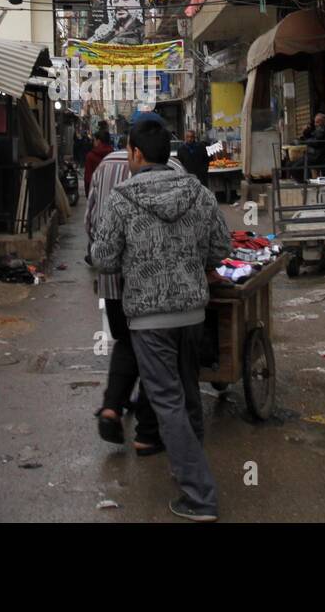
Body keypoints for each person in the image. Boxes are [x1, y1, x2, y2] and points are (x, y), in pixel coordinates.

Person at [91, 117, 231, 522]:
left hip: (149, 319)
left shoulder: (121, 197)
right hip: (191, 313)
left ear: (135, 152)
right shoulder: (197, 190)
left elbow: (102, 258)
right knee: (187, 396)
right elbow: (220, 246)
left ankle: (199, 495)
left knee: (168, 403)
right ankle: (186, 472)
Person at [86, 112, 186, 457]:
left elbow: (91, 224)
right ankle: (146, 431)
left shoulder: (103, 169)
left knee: (128, 343)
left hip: (114, 285)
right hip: (159, 287)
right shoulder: (176, 172)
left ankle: (113, 406)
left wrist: (103, 258)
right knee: (154, 351)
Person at [83, 129, 113, 196]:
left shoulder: (90, 156)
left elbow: (88, 179)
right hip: (112, 194)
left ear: (98, 141)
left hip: (96, 194)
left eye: (94, 140)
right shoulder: (113, 155)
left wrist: (88, 195)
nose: (93, 142)